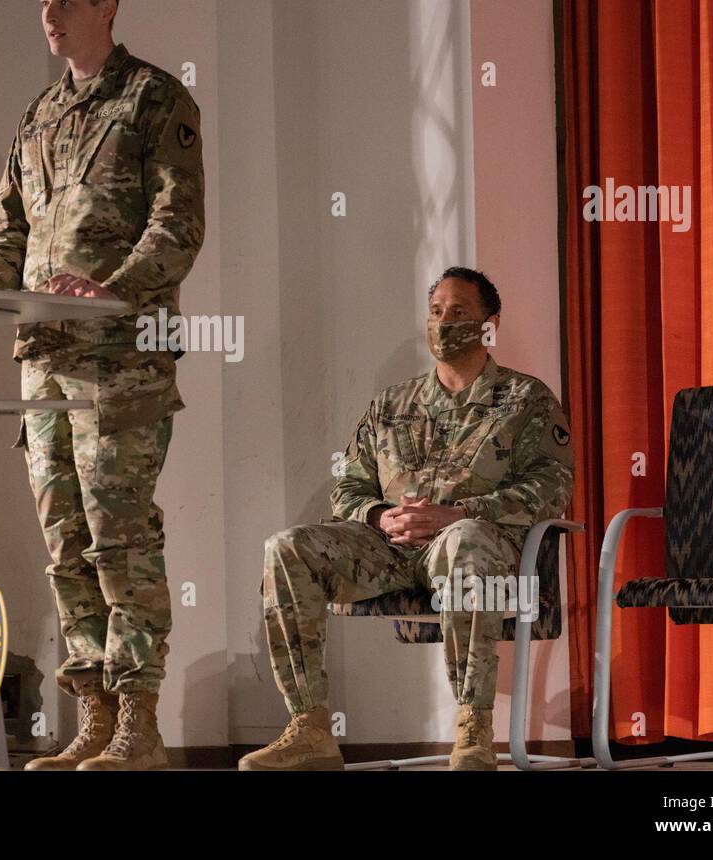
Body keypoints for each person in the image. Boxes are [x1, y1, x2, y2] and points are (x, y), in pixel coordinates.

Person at [0, 0, 204, 771]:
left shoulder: (153, 99)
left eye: (65, 1)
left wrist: (113, 287)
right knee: (66, 540)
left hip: (119, 360)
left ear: (107, 7)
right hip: (42, 357)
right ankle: (95, 716)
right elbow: (9, 233)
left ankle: (141, 722)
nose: (49, 16)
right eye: (43, 2)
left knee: (119, 536)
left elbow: (178, 224)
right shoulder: (37, 118)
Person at [238, 267, 575, 771]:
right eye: (436, 311)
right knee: (286, 546)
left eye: (459, 312)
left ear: (490, 324)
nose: (443, 323)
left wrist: (460, 512)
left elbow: (552, 488)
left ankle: (473, 730)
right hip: (389, 550)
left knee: (464, 539)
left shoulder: (525, 400)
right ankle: (309, 728)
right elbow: (348, 488)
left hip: (479, 550)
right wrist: (379, 515)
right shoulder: (391, 405)